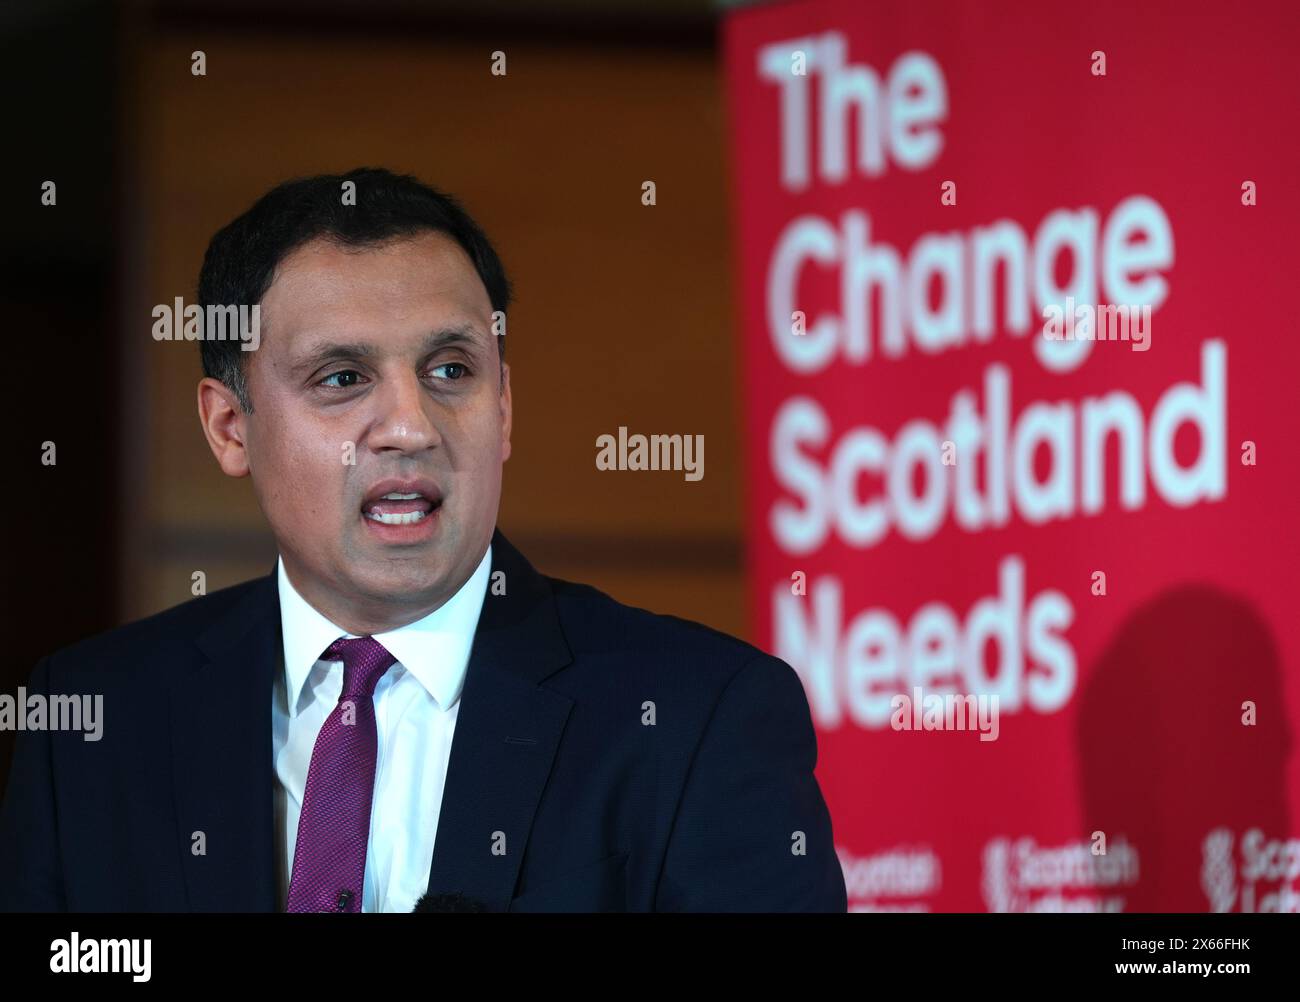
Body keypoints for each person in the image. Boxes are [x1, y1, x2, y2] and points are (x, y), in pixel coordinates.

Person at [0, 167, 846, 913]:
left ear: (503, 408)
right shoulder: (91, 720)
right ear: (229, 426)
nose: (410, 426)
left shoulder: (701, 721)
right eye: (341, 379)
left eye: (451, 370)